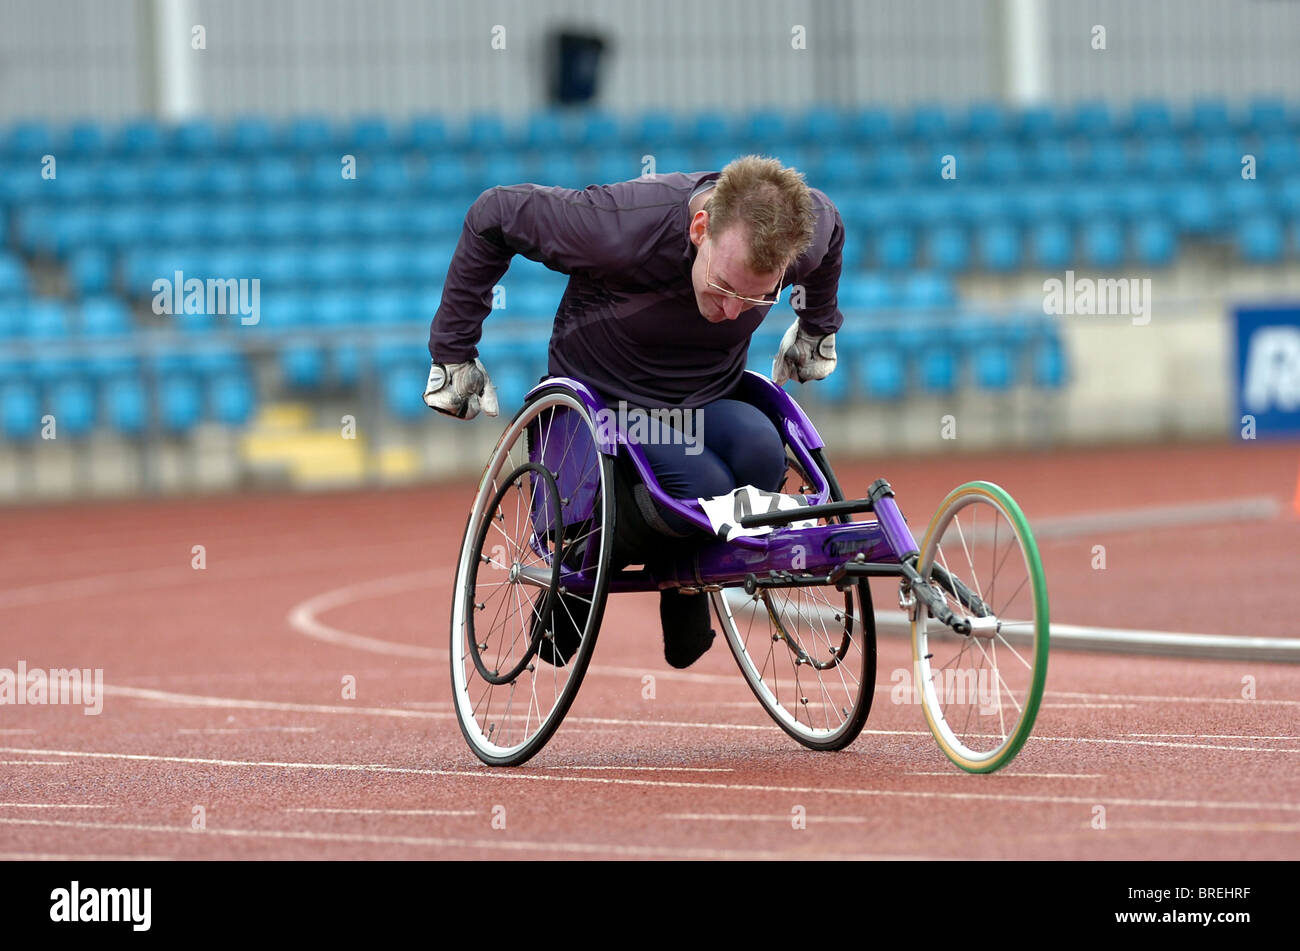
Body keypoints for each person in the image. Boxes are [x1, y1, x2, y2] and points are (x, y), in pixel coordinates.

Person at [424, 154, 843, 668]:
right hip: (607, 408)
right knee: (705, 485)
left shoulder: (794, 233)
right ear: (700, 229)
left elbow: (832, 231)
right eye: (725, 287)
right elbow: (494, 213)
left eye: (757, 297)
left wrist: (817, 327)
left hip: (702, 400)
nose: (733, 311)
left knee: (762, 450)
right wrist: (453, 351)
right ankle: (585, 559)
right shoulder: (621, 227)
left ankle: (686, 574)